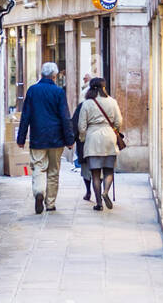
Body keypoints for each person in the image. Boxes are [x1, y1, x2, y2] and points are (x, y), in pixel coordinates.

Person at [16, 61, 75, 213]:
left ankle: (39, 193)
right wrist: (69, 140)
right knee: (53, 171)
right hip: (56, 139)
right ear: (55, 76)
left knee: (38, 168)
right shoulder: (59, 92)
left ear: (41, 74)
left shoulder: (32, 91)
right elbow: (65, 117)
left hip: (38, 138)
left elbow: (25, 116)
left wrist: (21, 138)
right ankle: (50, 203)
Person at [75, 76, 124, 212]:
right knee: (109, 170)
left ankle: (99, 203)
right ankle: (106, 192)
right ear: (104, 87)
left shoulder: (87, 103)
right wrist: (114, 131)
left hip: (92, 138)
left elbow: (81, 125)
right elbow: (119, 121)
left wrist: (83, 138)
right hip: (109, 136)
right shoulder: (112, 102)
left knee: (95, 173)